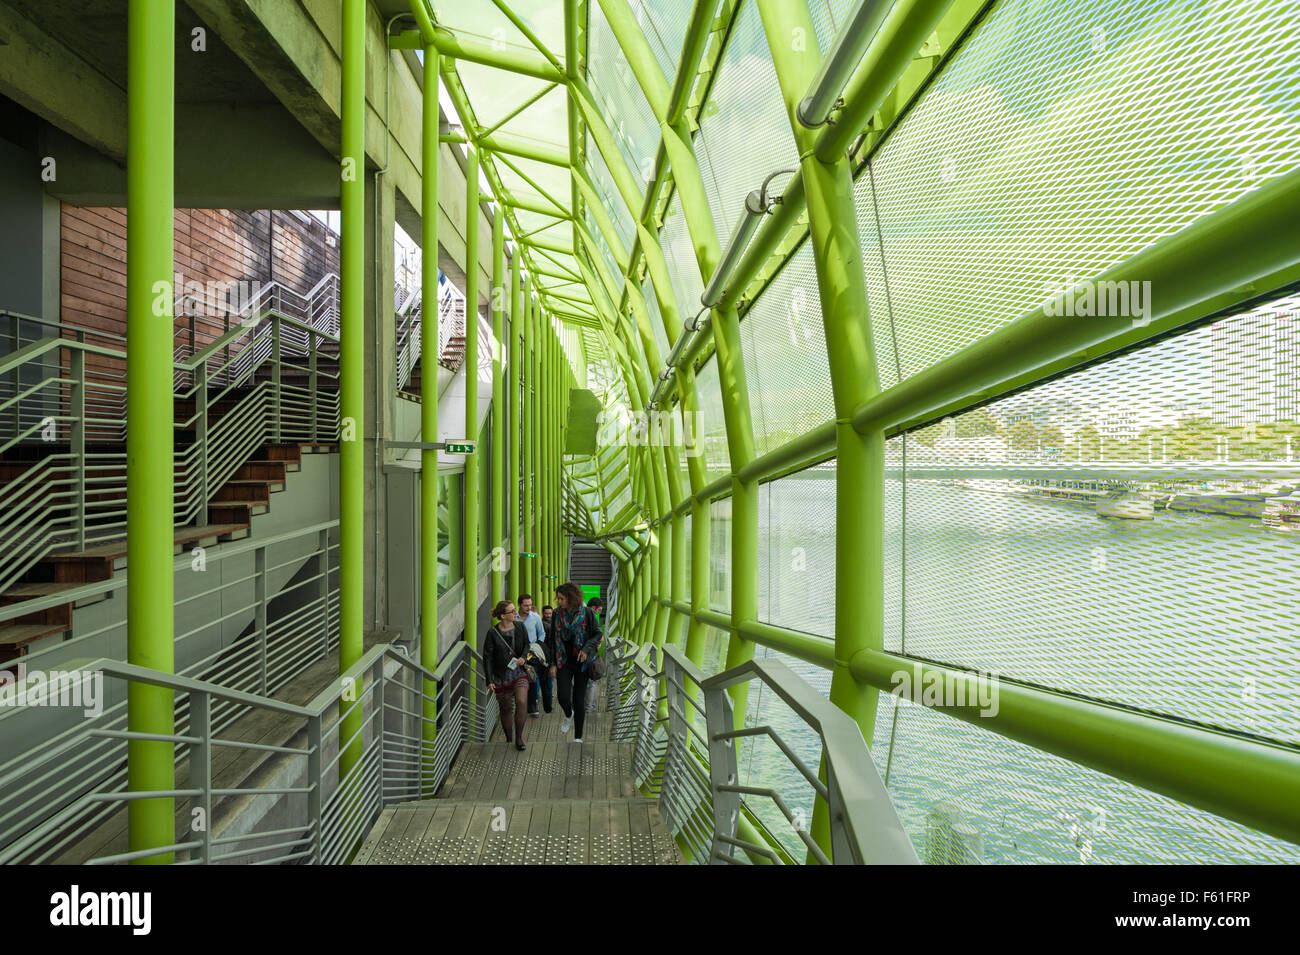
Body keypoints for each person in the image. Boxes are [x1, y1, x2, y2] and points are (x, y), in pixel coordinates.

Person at [551, 582, 601, 743]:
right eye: (558, 599)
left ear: (571, 599)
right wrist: (552, 663)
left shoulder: (587, 613)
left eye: (562, 599)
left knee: (579, 699)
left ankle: (578, 736)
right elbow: (552, 639)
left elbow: (597, 634)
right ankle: (568, 714)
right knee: (563, 696)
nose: (559, 602)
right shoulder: (556, 614)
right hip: (563, 660)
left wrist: (586, 649)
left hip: (582, 662)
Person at [483, 600, 530, 751]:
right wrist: (489, 680)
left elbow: (527, 644)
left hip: (519, 672)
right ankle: (509, 738)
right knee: (506, 708)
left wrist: (523, 656)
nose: (516, 613)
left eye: (515, 610)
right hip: (501, 676)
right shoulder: (492, 633)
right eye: (512, 611)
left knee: (522, 701)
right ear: (503, 616)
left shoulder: (520, 626)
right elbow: (488, 657)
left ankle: (519, 738)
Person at [518, 593, 551, 716]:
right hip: (517, 653)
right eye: (526, 605)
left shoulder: (535, 617)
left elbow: (542, 633)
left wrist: (537, 646)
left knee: (532, 678)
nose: (529, 607)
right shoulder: (514, 617)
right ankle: (522, 704)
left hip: (532, 653)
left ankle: (532, 705)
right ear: (519, 605)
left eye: (530, 605)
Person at [584, 596, 607, 713]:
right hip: (589, 653)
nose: (598, 613)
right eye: (598, 610)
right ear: (593, 608)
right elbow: (599, 636)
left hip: (585, 652)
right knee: (592, 681)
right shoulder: (590, 617)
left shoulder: (582, 615)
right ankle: (590, 707)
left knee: (590, 682)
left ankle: (590, 706)